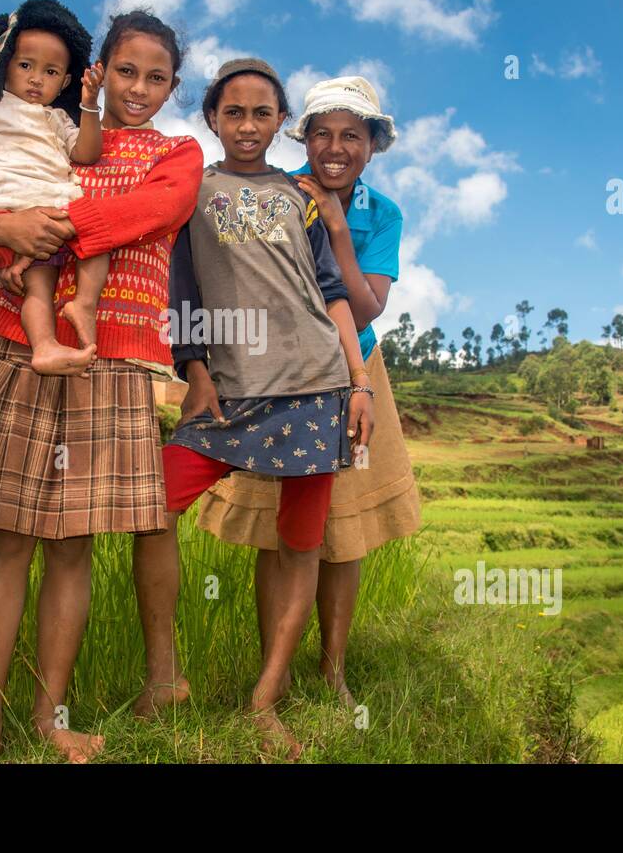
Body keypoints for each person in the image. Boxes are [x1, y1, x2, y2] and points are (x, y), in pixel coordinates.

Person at [0, 10, 203, 764]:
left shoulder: (175, 151)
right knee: (7, 540)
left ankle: (47, 714)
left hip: (111, 355)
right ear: (99, 71)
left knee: (73, 545)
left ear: (173, 86)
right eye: (125, 71)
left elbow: (156, 210)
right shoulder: (44, 126)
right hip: (18, 341)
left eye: (156, 77)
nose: (139, 88)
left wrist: (41, 223)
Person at [163, 58, 375, 760]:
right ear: (212, 120)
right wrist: (192, 367)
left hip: (316, 383)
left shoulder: (301, 196)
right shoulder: (192, 188)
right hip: (229, 391)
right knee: (147, 501)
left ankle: (266, 696)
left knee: (301, 541)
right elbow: (181, 287)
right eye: (233, 113)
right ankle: (162, 674)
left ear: (281, 122)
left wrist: (359, 383)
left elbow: (331, 294)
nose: (247, 126)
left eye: (261, 114)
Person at [197, 76, 421, 707]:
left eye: (352, 134)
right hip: (280, 378)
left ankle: (333, 668)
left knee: (341, 531)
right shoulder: (277, 190)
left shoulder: (383, 214)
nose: (335, 146)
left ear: (373, 145)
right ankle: (278, 671)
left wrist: (338, 231)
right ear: (304, 136)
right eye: (321, 132)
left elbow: (369, 307)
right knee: (280, 529)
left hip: (357, 378)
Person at [0, 0, 107, 377]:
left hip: (56, 203)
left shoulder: (57, 118)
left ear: (63, 81)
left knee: (99, 239)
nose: (35, 78)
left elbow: (87, 153)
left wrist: (90, 104)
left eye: (49, 72)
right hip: (10, 203)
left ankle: (84, 304)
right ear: (5, 64)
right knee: (38, 288)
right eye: (25, 65)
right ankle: (44, 345)